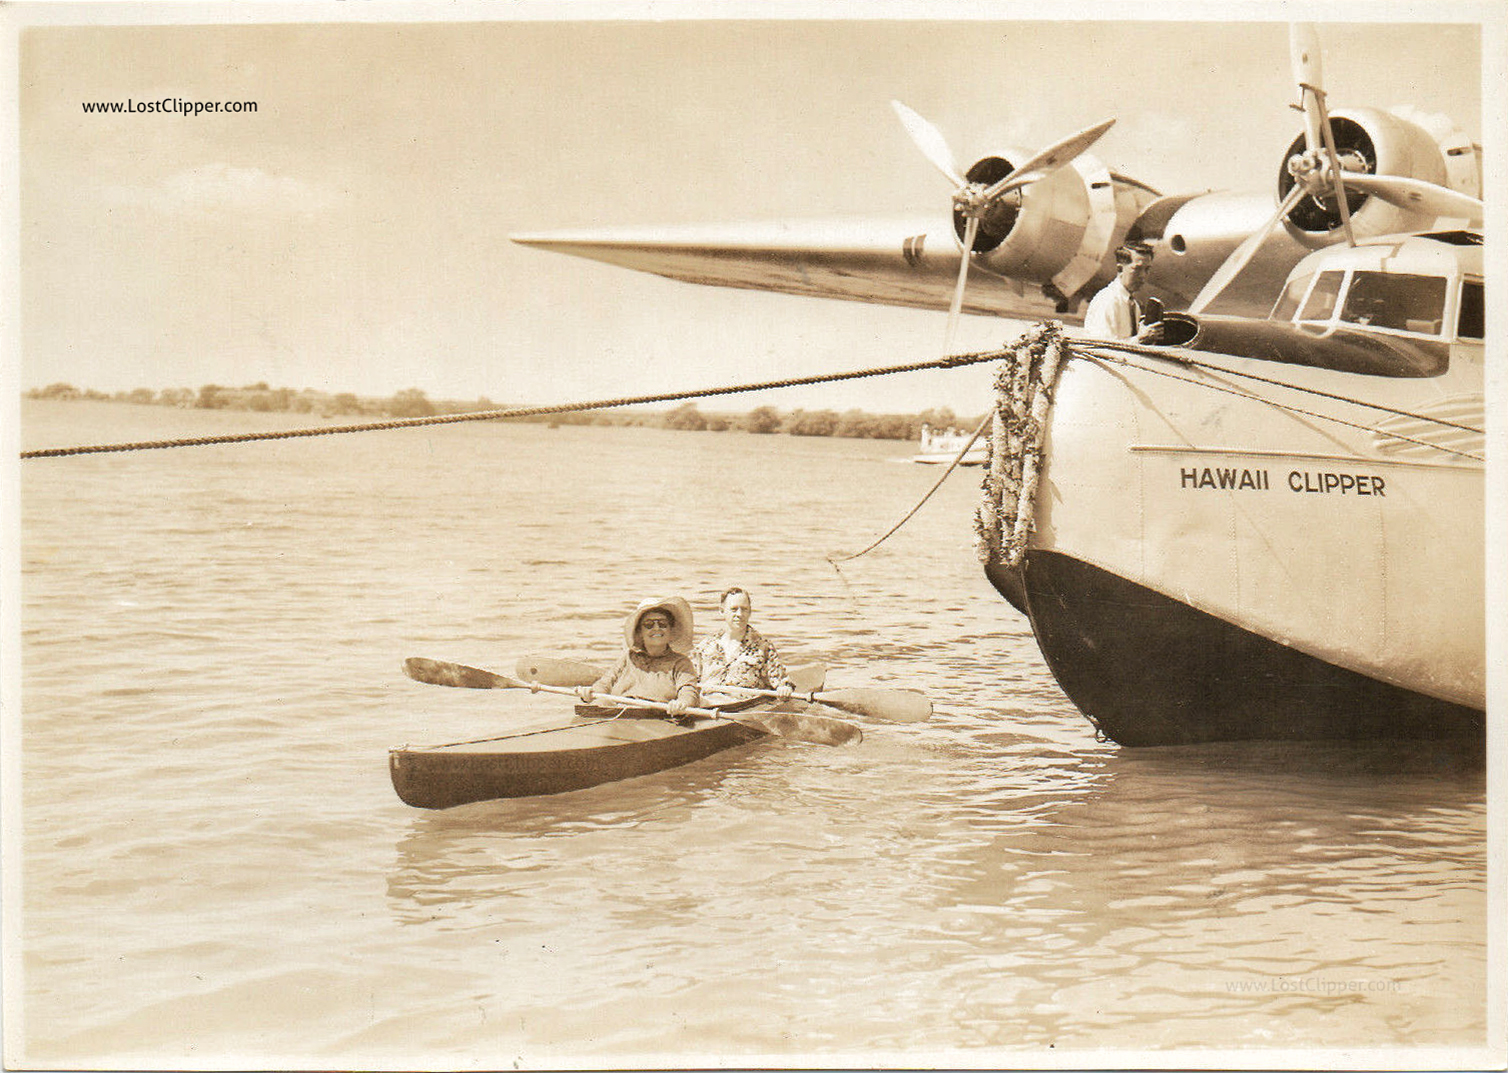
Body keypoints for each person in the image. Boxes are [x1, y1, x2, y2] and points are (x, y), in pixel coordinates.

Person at [576, 596, 699, 716]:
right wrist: (588, 694)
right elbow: (604, 685)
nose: (657, 628)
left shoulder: (681, 662)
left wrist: (682, 703)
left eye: (662, 624)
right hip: (619, 715)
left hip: (657, 718)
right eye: (649, 624)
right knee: (602, 702)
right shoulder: (627, 658)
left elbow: (688, 692)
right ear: (639, 632)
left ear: (670, 630)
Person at [693, 587, 795, 700]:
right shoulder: (704, 647)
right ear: (721, 611)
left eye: (744, 609)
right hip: (707, 707)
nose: (739, 614)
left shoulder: (763, 647)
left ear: (750, 612)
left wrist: (784, 689)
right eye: (734, 609)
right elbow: (689, 683)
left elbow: (783, 683)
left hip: (743, 708)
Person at [1082, 241, 1164, 343]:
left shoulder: (1134, 305)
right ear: (1120, 269)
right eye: (1137, 269)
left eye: (1147, 269)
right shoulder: (1107, 301)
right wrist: (1140, 339)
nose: (1143, 275)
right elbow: (1102, 348)